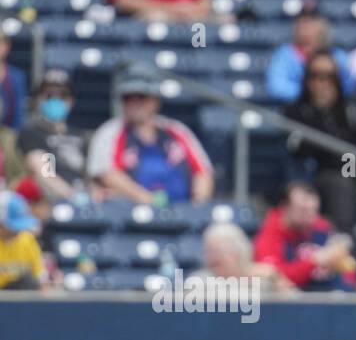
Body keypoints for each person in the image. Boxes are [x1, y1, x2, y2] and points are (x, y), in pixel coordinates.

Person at [283, 50, 356, 233]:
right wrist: (320, 113)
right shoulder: (297, 110)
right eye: (316, 76)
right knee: (340, 182)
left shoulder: (351, 109)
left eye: (329, 77)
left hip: (349, 168)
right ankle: (343, 237)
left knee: (349, 172)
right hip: (314, 172)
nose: (322, 83)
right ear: (307, 79)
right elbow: (298, 149)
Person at [87, 68, 213, 205]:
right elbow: (106, 174)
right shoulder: (110, 131)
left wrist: (198, 204)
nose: (135, 103)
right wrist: (145, 198)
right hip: (131, 214)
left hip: (183, 210)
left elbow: (203, 172)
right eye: (128, 98)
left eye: (141, 97)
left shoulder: (176, 130)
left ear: (155, 100)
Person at [253, 182, 356, 292]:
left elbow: (349, 272)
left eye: (314, 210)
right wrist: (315, 261)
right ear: (285, 207)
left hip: (325, 297)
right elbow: (275, 278)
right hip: (291, 301)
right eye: (303, 210)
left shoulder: (321, 227)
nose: (310, 216)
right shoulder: (269, 235)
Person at [17, 69, 88, 202]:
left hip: (83, 195)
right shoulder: (32, 133)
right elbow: (45, 173)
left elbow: (90, 173)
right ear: (39, 100)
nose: (56, 100)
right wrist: (72, 196)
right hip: (51, 200)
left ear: (71, 101)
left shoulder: (81, 136)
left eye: (62, 95)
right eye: (49, 95)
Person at [266, 10, 354, 104]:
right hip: (297, 109)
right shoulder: (284, 55)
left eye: (309, 25)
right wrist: (312, 93)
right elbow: (276, 88)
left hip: (334, 109)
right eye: (301, 25)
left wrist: (329, 95)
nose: (304, 31)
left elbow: (349, 85)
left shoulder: (338, 56)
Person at [0, 192, 44, 291]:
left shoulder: (27, 240)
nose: (18, 231)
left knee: (27, 282)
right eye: (13, 226)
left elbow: (41, 281)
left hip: (22, 303)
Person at [109, 0, 210, 22]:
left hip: (190, 16)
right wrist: (171, 9)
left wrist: (192, 10)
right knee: (156, 17)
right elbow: (124, 1)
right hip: (153, 16)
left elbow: (205, 2)